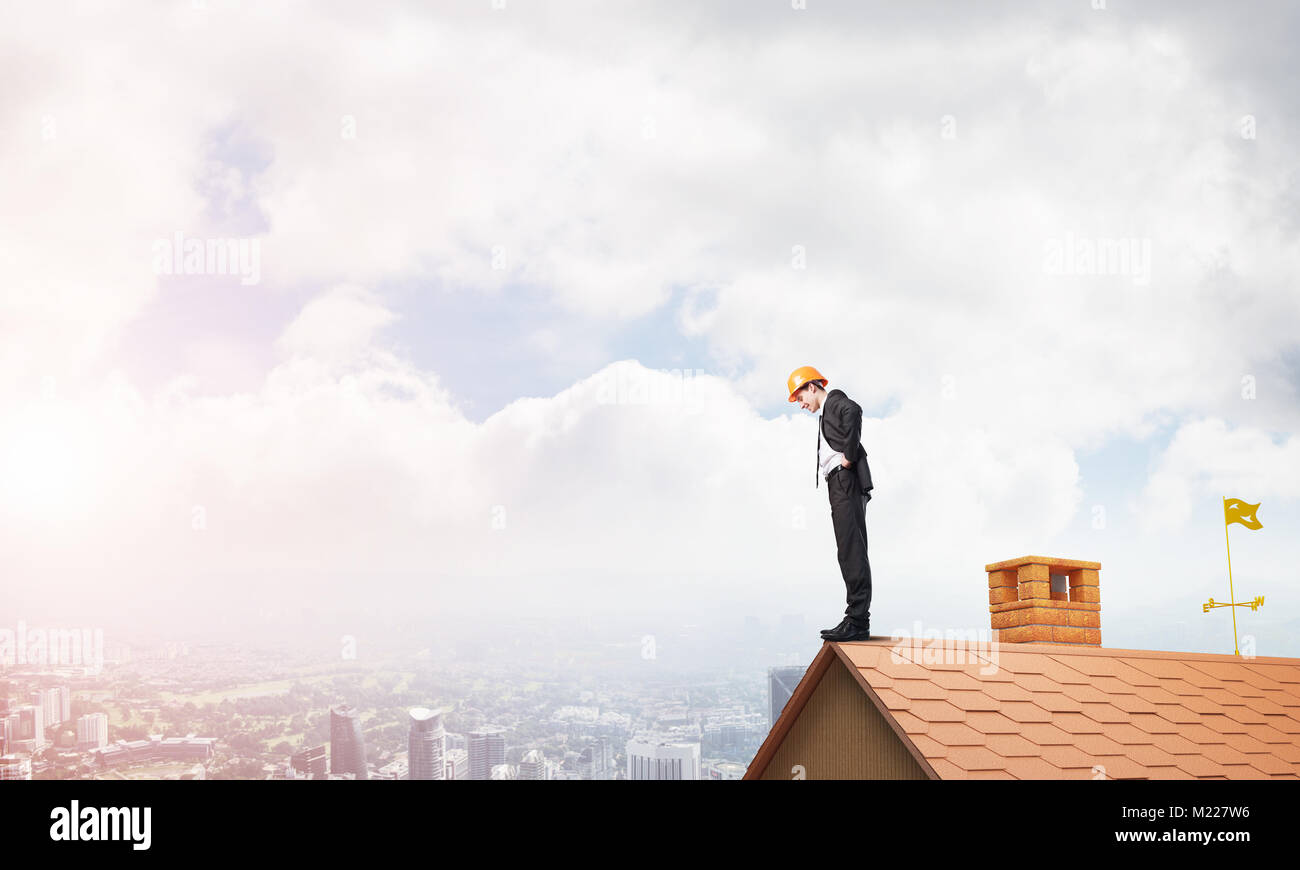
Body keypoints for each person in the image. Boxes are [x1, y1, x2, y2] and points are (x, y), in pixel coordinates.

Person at [787, 366, 874, 643]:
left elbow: (855, 410)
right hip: (838, 484)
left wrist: (848, 456)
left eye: (800, 398)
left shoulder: (835, 401)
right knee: (847, 550)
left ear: (812, 387)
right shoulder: (826, 412)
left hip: (845, 480)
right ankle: (855, 618)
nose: (801, 405)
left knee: (852, 550)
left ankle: (858, 621)